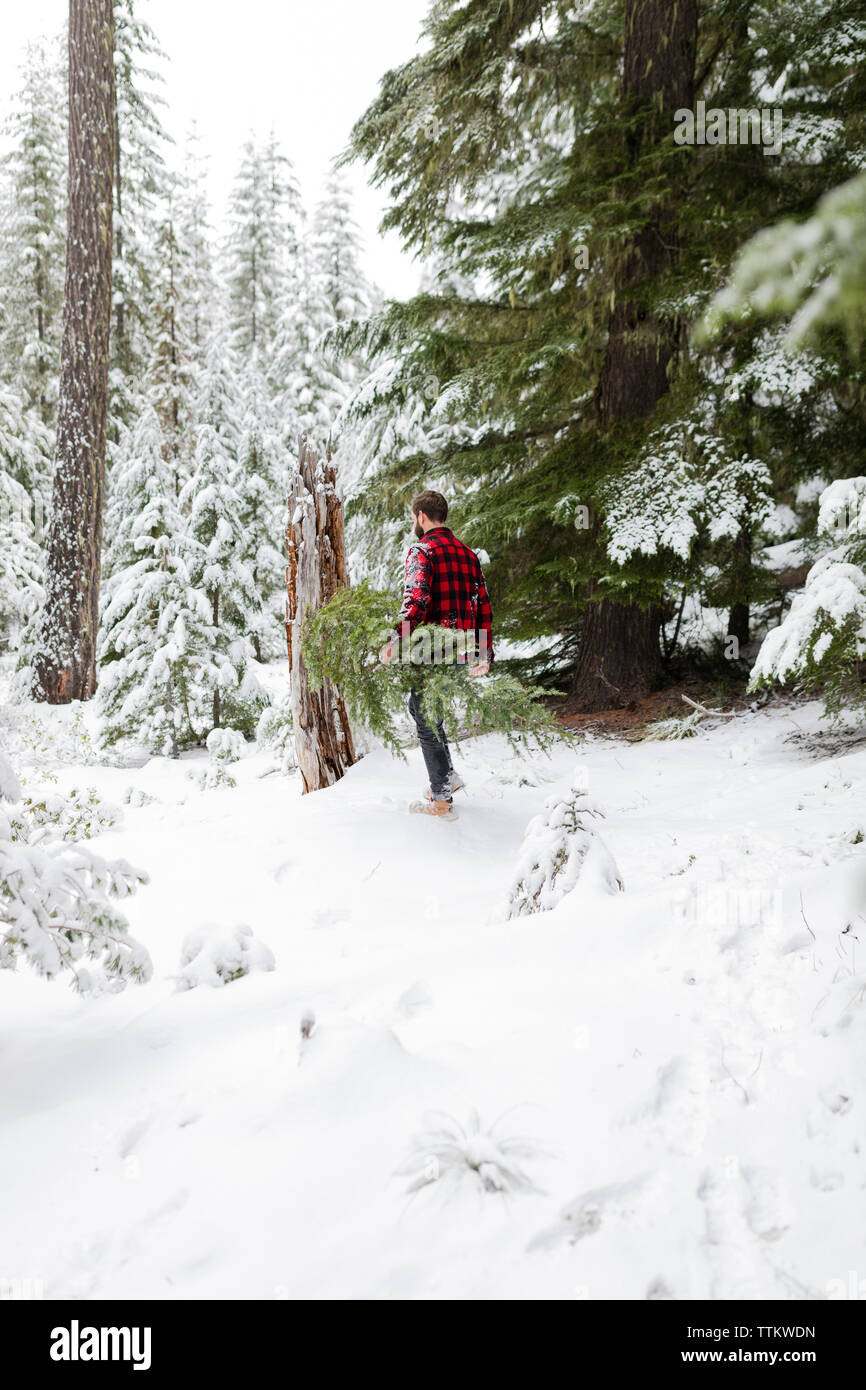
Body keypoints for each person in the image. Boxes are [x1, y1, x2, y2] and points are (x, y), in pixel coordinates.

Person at [379, 489, 494, 821]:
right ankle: (447, 777)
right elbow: (482, 605)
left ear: (421, 516)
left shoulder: (422, 551)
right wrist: (483, 652)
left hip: (433, 650)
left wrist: (395, 640)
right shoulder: (468, 554)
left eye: (414, 517)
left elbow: (415, 602)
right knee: (429, 711)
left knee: (425, 715)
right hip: (460, 649)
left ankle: (442, 800)